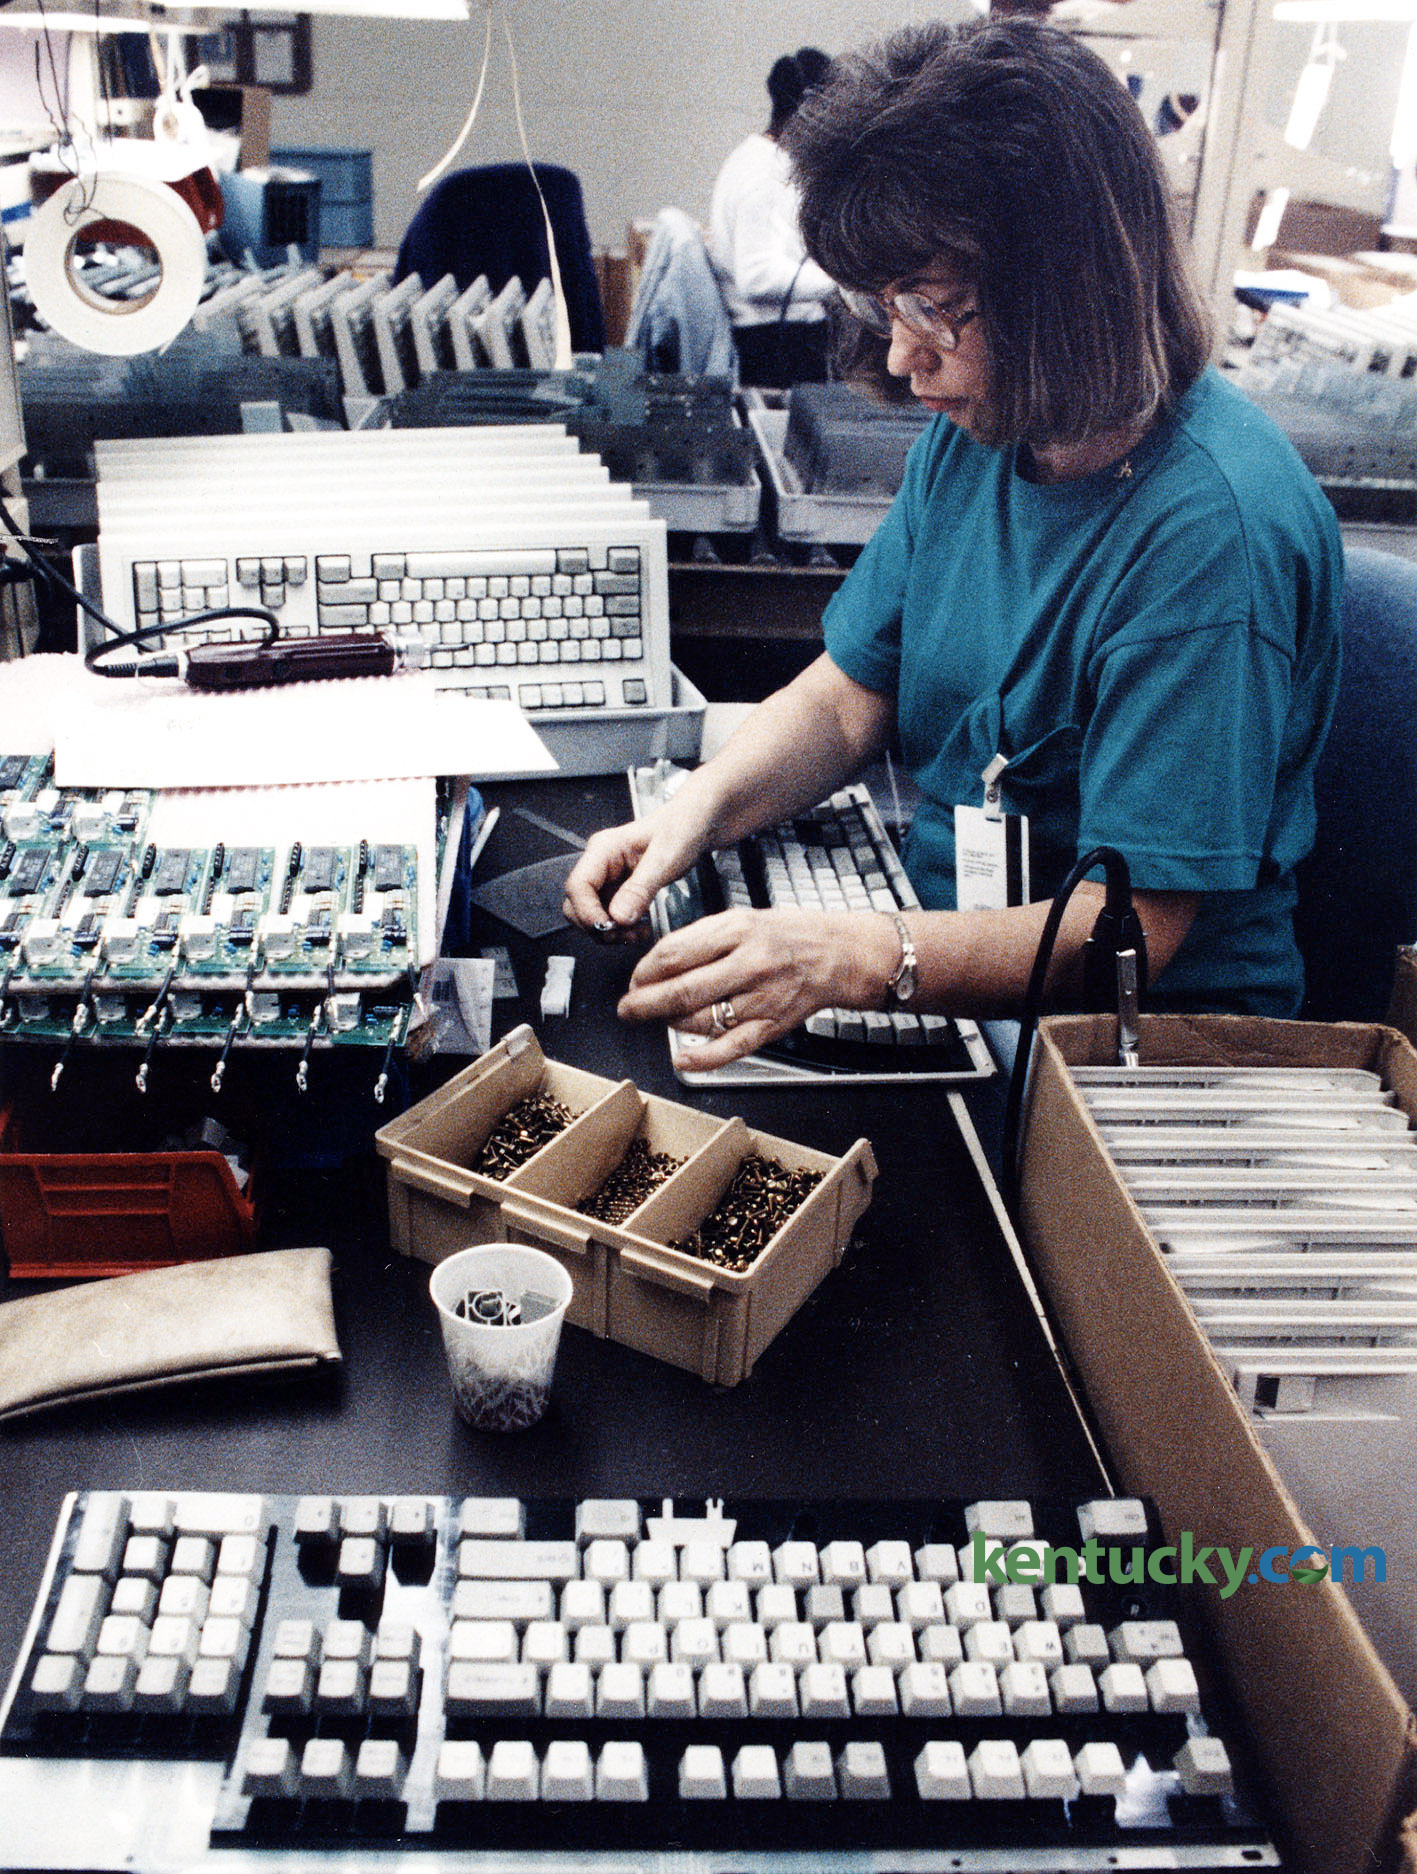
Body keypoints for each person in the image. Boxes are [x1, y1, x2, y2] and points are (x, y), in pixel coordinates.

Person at [564, 18, 1343, 1071]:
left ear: (1066, 289)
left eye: (934, 310)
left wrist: (860, 958)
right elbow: (848, 697)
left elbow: (1133, 930)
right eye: (887, 307)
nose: (900, 354)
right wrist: (694, 810)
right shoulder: (987, 431)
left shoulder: (1209, 534)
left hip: (1127, 1042)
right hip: (942, 962)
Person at [707, 47, 837, 387]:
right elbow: (757, 275)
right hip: (777, 347)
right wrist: (844, 281)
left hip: (781, 338)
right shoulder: (763, 175)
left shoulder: (758, 158)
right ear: (812, 112)